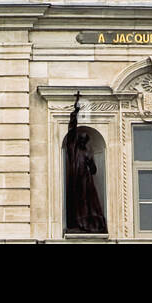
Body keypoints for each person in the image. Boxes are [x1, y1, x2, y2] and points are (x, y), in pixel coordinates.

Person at [64, 92, 106, 233]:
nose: (82, 141)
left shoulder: (88, 153)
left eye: (84, 140)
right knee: (78, 202)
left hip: (87, 182)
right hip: (76, 181)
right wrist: (75, 112)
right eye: (80, 139)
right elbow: (71, 129)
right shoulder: (73, 149)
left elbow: (94, 170)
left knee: (90, 203)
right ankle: (78, 223)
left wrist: (90, 163)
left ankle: (90, 223)